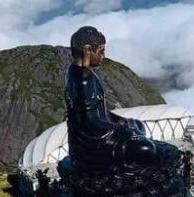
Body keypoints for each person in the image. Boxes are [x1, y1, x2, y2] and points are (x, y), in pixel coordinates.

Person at [64, 25, 176, 171]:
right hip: (93, 144)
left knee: (136, 125)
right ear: (87, 50)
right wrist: (120, 129)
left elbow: (99, 113)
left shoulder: (82, 74)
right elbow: (90, 123)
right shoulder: (82, 79)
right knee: (145, 149)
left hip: (100, 134)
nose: (103, 56)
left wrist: (121, 121)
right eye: (101, 52)